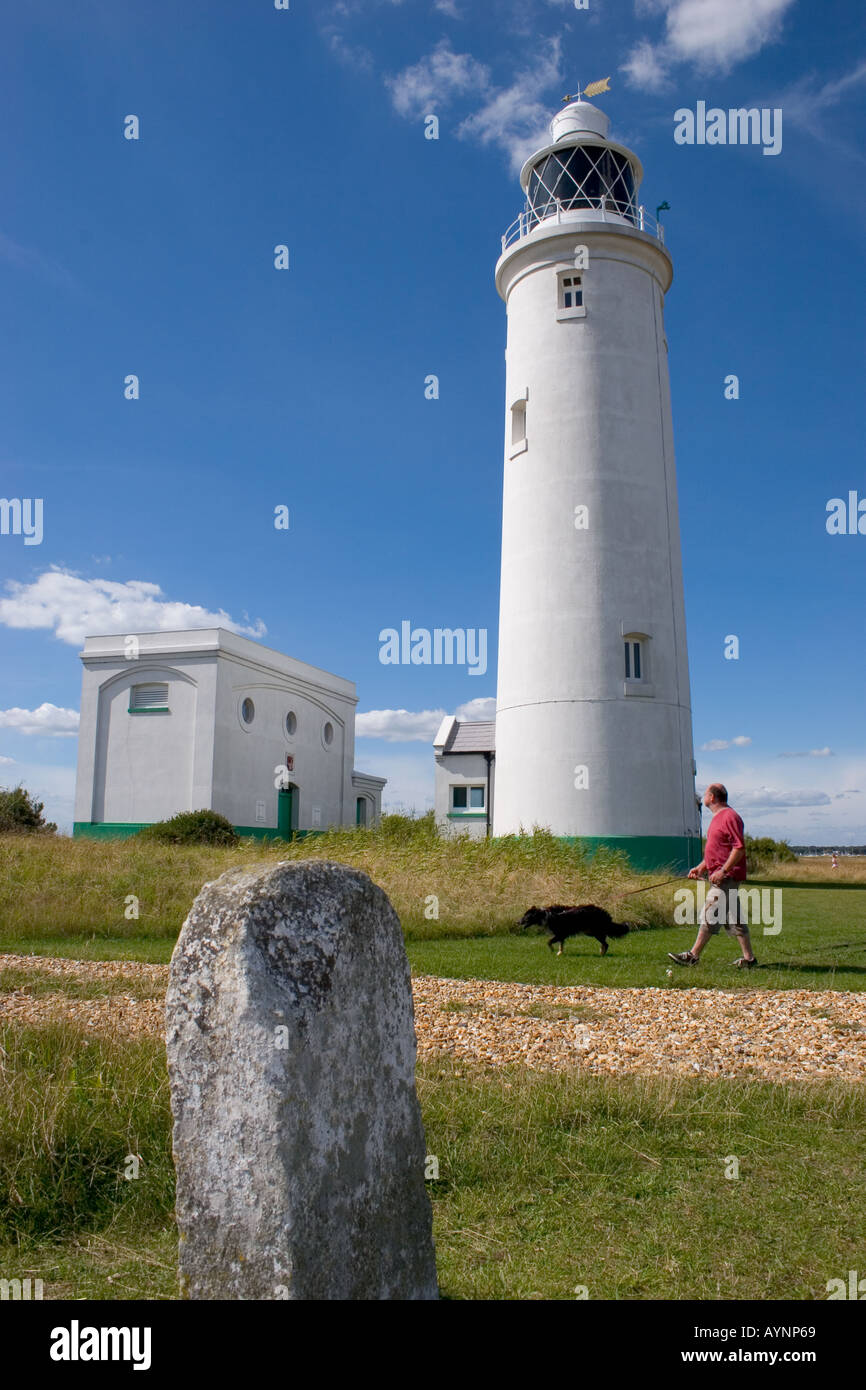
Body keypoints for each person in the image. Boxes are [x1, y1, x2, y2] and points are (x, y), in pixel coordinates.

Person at [668, 783, 756, 969]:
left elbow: (739, 848)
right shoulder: (717, 818)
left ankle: (692, 956)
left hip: (726, 877)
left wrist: (723, 871)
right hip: (721, 875)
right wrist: (701, 867)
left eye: (706, 794)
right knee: (734, 919)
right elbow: (717, 851)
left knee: (710, 913)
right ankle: (749, 959)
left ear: (713, 797)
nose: (703, 797)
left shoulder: (729, 817)